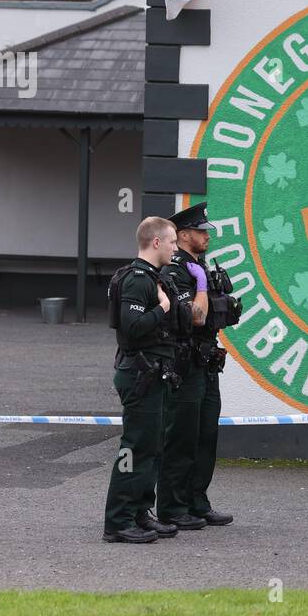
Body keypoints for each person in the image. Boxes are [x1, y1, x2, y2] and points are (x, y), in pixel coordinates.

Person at [102, 216, 187, 543]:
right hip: (140, 373)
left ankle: (140, 512)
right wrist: (163, 308)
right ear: (156, 243)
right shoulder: (139, 279)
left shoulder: (153, 276)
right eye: (172, 242)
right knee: (135, 448)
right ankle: (118, 522)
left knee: (152, 447)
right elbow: (132, 326)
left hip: (153, 372)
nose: (175, 248)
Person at [158, 201, 234, 529]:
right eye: (201, 231)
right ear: (185, 234)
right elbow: (195, 317)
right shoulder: (177, 270)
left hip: (206, 360)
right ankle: (173, 507)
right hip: (185, 363)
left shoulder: (200, 265)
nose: (207, 236)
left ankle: (196, 501)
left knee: (206, 434)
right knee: (182, 436)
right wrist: (201, 284)